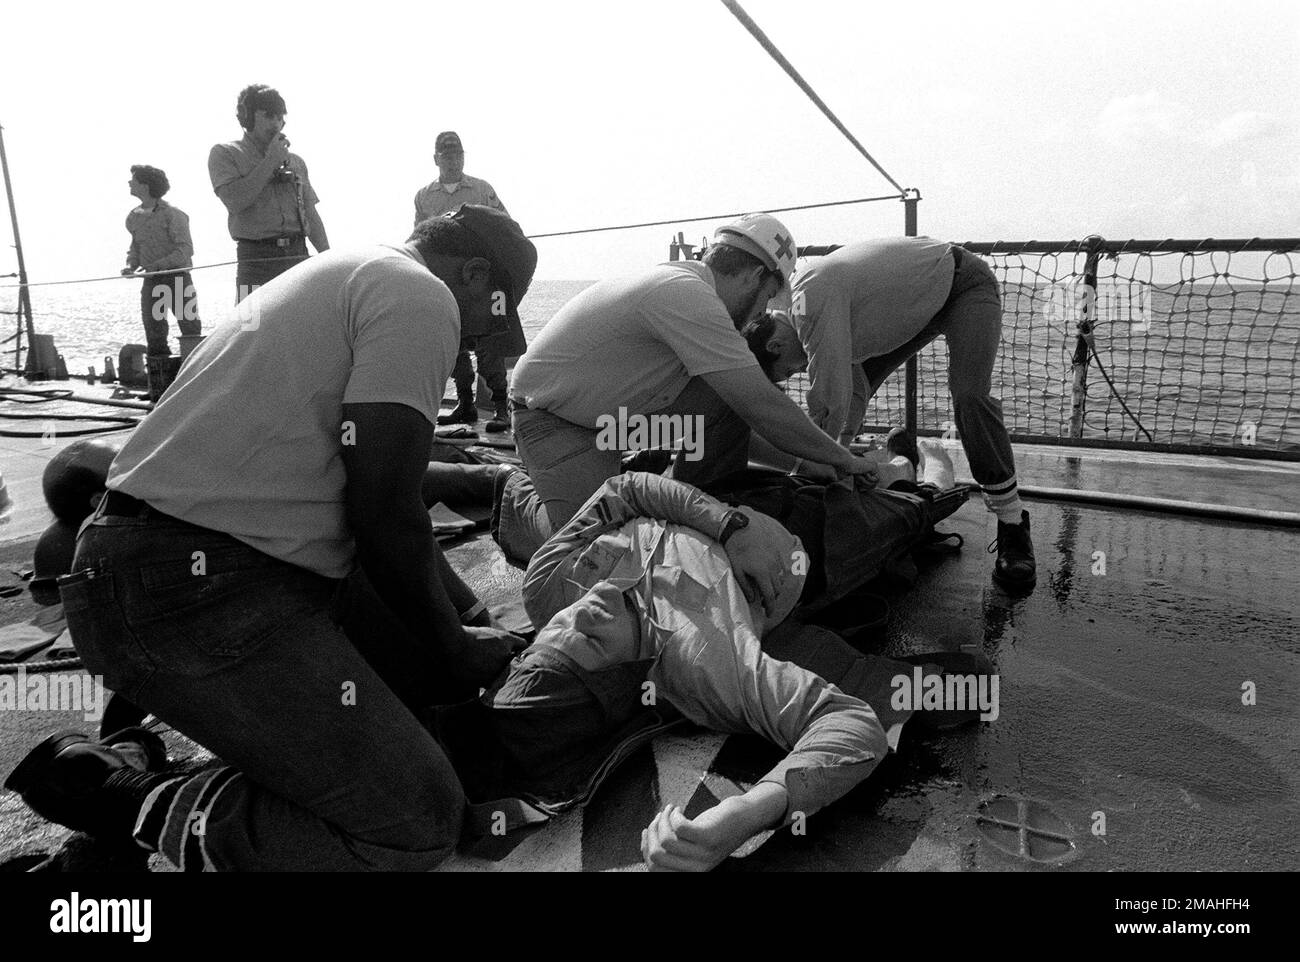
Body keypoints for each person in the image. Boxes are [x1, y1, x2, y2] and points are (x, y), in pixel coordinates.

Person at [4, 206, 538, 872]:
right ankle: (123, 799)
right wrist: (455, 639)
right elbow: (385, 508)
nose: (482, 338)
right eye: (491, 315)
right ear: (475, 272)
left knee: (432, 695)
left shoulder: (346, 272)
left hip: (191, 569)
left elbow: (372, 490)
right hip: (187, 588)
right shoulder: (421, 297)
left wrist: (456, 632)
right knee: (414, 821)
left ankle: (176, 789)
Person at [455, 470, 903, 871]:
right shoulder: (704, 664)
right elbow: (851, 722)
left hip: (712, 493)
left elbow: (626, 487)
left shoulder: (547, 588)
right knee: (890, 503)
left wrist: (728, 524)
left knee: (820, 466)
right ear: (620, 680)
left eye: (562, 624)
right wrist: (748, 811)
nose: (592, 605)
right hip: (813, 542)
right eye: (590, 638)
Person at [508, 213, 880, 541]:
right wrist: (845, 460)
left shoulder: (698, 295)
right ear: (753, 277)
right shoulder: (685, 295)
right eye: (768, 296)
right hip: (552, 420)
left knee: (726, 393)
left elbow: (736, 417)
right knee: (588, 542)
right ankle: (513, 494)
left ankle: (696, 510)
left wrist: (808, 465)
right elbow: (764, 407)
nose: (763, 312)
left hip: (612, 426)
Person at [789, 236, 1036, 590]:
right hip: (916, 300)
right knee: (857, 384)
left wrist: (812, 467)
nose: (795, 373)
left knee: (969, 394)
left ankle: (1013, 524)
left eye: (788, 370)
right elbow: (852, 391)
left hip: (962, 284)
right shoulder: (806, 306)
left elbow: (828, 399)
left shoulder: (811, 303)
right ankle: (898, 459)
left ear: (776, 343)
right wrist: (837, 463)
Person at [415, 132, 516, 433]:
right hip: (446, 282)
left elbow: (506, 225)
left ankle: (501, 408)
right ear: (436, 159)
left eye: (458, 154)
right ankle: (465, 404)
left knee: (490, 344)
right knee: (453, 343)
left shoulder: (483, 190)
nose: (453, 160)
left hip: (482, 282)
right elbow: (419, 237)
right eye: (447, 155)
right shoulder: (424, 196)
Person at [208, 84, 329, 301]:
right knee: (249, 326)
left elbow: (310, 213)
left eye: (280, 117)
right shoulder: (224, 153)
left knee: (301, 325)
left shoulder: (296, 161)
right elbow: (235, 201)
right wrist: (270, 161)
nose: (276, 124)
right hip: (255, 258)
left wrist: (328, 258)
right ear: (247, 117)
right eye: (269, 116)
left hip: (297, 255)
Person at [120, 165, 201, 357]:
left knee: (191, 330)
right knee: (154, 332)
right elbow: (135, 248)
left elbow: (185, 250)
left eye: (134, 180)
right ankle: (161, 380)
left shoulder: (173, 214)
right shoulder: (133, 217)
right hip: (152, 282)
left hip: (178, 280)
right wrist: (131, 265)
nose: (130, 182)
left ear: (146, 185)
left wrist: (154, 266)